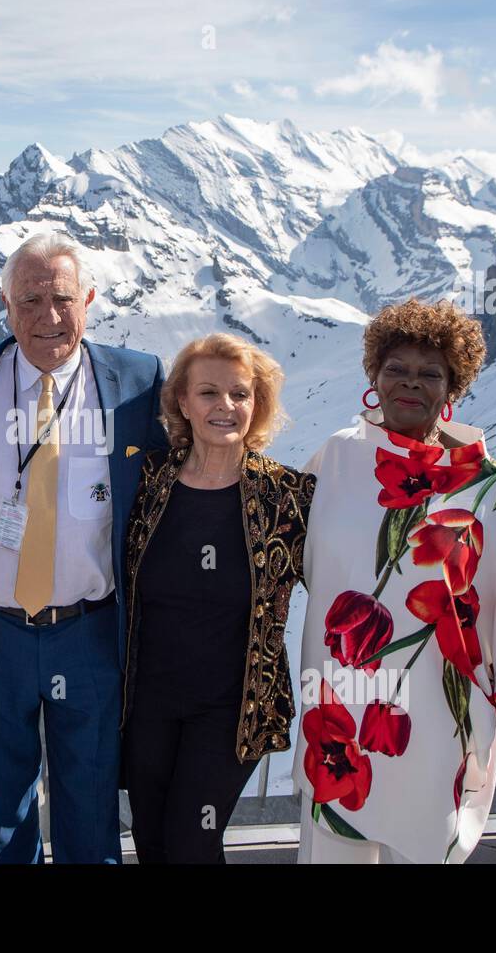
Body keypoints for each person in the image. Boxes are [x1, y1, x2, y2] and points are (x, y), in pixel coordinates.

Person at [0, 232, 170, 863]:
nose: (48, 317)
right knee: (5, 810)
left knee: (89, 805)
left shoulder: (137, 382)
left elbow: (173, 489)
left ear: (89, 299)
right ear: (5, 307)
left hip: (88, 632)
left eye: (62, 298)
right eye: (29, 301)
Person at [296, 297, 496, 864]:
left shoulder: (486, 488)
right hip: (339, 713)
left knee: (424, 848)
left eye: (429, 374)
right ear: (374, 376)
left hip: (437, 718)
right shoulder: (333, 461)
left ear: (452, 389)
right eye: (397, 370)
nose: (410, 384)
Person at [122, 333, 315, 863]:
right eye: (208, 393)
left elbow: (346, 575)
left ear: (258, 405)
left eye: (240, 394)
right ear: (182, 401)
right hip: (148, 704)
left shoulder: (288, 498)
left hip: (234, 708)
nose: (225, 407)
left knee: (193, 842)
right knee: (153, 841)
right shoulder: (147, 481)